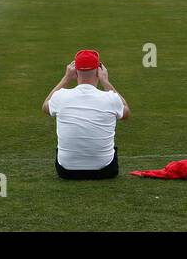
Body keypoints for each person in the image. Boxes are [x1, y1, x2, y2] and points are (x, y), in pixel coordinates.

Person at [42, 49, 129, 180]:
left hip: (66, 172)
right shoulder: (111, 98)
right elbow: (125, 111)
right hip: (105, 171)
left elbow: (45, 106)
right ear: (99, 71)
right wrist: (106, 82)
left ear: (75, 71)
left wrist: (66, 78)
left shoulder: (60, 96)